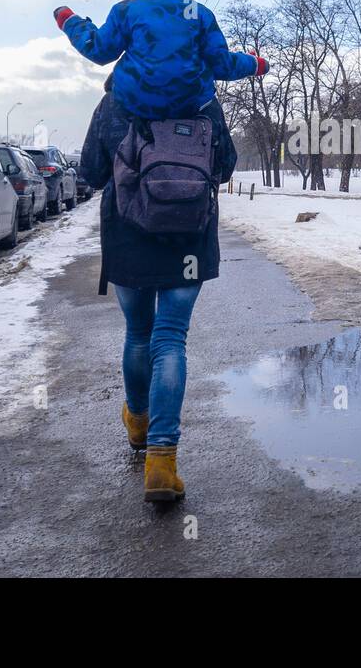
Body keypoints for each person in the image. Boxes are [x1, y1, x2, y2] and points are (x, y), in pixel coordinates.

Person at [78, 66, 244, 504]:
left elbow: (92, 172)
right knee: (170, 340)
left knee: (139, 334)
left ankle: (137, 420)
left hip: (128, 233)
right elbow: (225, 167)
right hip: (188, 236)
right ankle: (162, 463)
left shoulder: (115, 101)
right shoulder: (202, 98)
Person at [55, 0, 267, 120]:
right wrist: (254, 64)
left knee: (101, 132)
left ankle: (97, 162)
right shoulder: (196, 12)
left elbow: (100, 51)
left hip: (131, 108)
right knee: (223, 152)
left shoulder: (127, 10)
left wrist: (70, 21)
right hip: (193, 109)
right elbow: (222, 65)